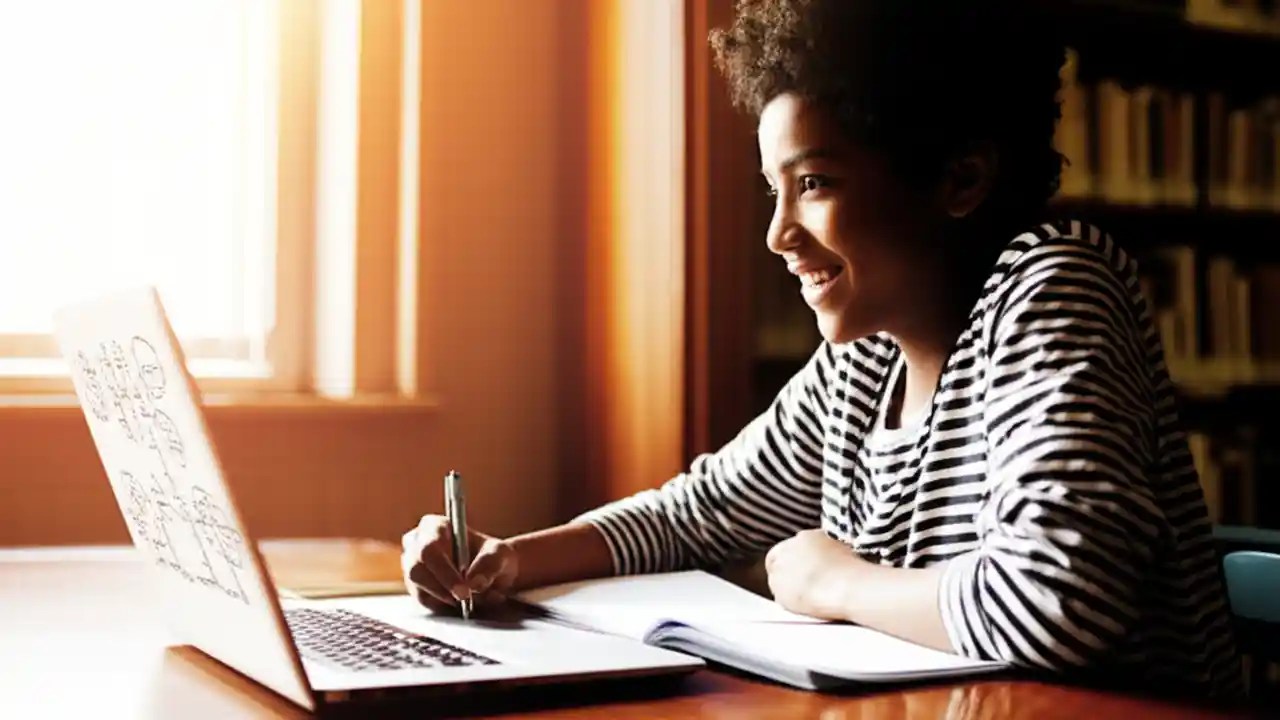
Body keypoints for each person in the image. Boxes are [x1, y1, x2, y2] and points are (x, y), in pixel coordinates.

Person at [401, 0, 1241, 700]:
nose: (777, 235)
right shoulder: (863, 362)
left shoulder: (1051, 286)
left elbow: (1061, 600)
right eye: (775, 190)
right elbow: (698, 513)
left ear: (961, 180)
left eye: (816, 185)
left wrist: (829, 584)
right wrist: (507, 560)